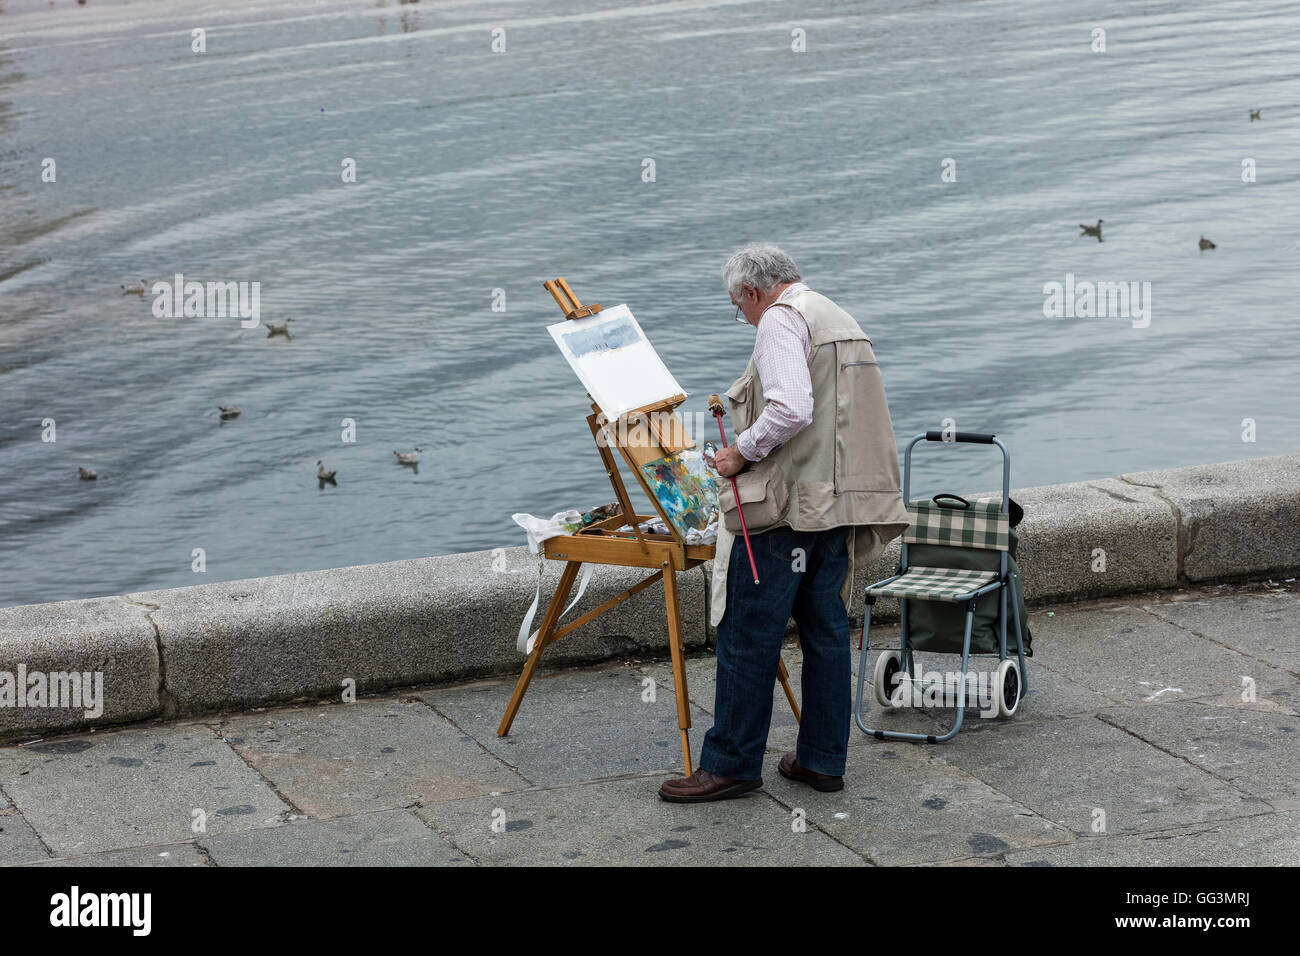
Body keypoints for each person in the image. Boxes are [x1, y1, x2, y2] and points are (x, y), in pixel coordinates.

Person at [658, 244, 909, 803]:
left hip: (786, 512)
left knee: (748, 637)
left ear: (752, 291)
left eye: (737, 306)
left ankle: (731, 765)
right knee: (825, 634)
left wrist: (740, 453)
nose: (742, 317)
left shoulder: (778, 319)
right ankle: (822, 761)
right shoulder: (838, 317)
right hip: (835, 507)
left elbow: (792, 408)